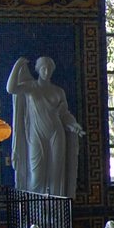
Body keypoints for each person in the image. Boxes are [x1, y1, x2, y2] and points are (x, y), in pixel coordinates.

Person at [7, 56, 84, 196]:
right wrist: (17, 65)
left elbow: (64, 114)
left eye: (49, 69)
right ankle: (35, 208)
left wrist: (73, 125)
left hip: (56, 133)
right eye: (43, 68)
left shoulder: (58, 91)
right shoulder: (30, 87)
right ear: (37, 69)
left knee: (56, 174)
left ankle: (55, 208)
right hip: (35, 134)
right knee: (36, 175)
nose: (46, 71)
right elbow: (11, 89)